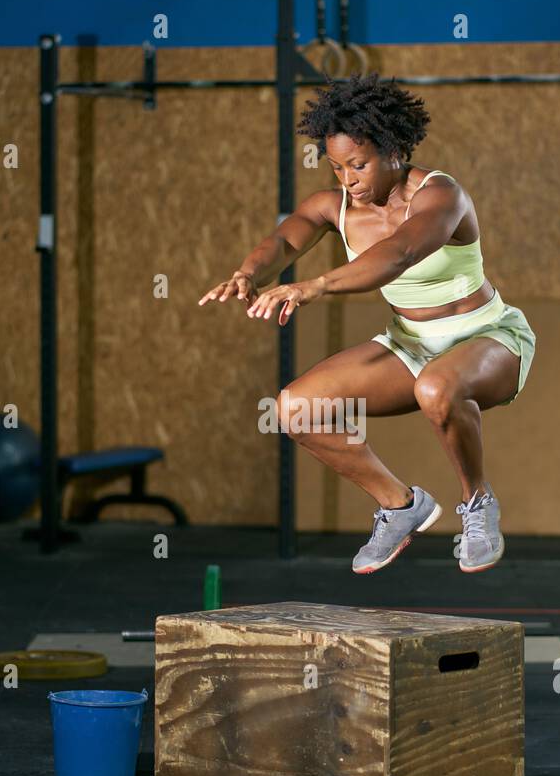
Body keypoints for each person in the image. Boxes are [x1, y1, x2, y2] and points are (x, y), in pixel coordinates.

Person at [199, 74, 536, 573]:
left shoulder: (441, 194)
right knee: (294, 409)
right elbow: (287, 241)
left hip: (489, 340)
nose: (348, 180)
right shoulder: (335, 207)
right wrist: (248, 274)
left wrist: (314, 286)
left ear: (395, 149)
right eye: (337, 168)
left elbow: (398, 253)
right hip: (411, 347)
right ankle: (400, 506)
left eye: (359, 165)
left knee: (436, 388)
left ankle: (477, 502)